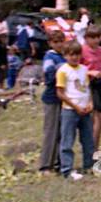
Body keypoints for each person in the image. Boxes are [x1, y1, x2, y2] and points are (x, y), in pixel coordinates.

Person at [55, 40, 94, 180]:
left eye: (77, 54)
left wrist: (90, 103)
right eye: (71, 55)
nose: (74, 57)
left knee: (88, 139)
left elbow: (87, 88)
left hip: (85, 109)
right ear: (65, 55)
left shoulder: (84, 69)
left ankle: (89, 165)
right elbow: (60, 93)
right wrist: (75, 106)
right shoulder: (63, 71)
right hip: (70, 110)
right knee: (67, 141)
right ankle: (67, 169)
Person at [80, 26, 101, 157]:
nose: (95, 40)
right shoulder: (82, 51)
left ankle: (95, 147)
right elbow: (77, 69)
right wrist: (89, 72)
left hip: (100, 84)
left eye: (98, 37)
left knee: (99, 119)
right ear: (86, 38)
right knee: (98, 118)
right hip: (88, 85)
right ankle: (92, 150)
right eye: (92, 38)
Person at [38, 31, 66, 174]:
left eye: (61, 41)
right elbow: (49, 76)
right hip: (52, 98)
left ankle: (58, 162)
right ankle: (45, 165)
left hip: (65, 98)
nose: (59, 44)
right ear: (50, 43)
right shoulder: (50, 57)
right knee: (51, 131)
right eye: (56, 42)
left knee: (62, 131)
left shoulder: (64, 56)